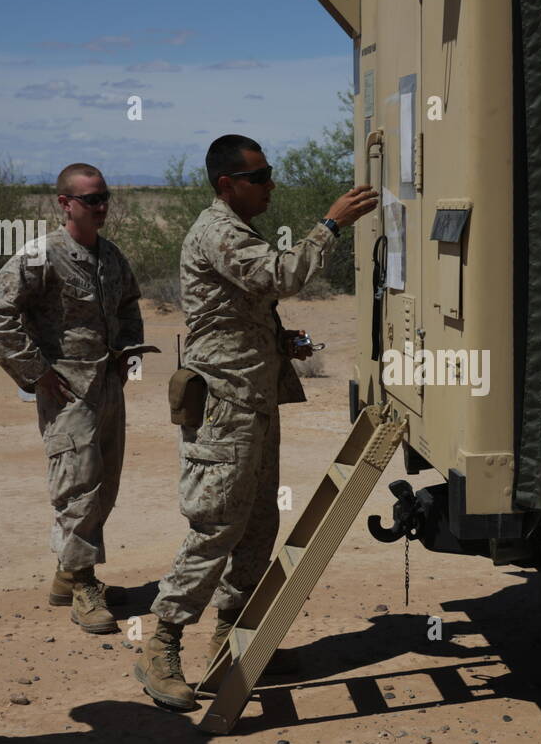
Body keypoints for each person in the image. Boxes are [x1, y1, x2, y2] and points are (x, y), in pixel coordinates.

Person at [135, 134, 377, 710]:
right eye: (260, 176)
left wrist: (278, 340)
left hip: (252, 400)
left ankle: (234, 639)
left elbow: (242, 307)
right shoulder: (218, 230)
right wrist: (331, 225)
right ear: (227, 184)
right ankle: (161, 643)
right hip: (225, 407)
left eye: (270, 173)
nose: (271, 185)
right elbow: (280, 276)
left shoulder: (238, 228)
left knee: (258, 523)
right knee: (217, 525)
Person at [0, 163, 145, 634]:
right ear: (65, 204)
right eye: (91, 199)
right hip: (67, 391)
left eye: (105, 197)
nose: (101, 206)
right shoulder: (42, 254)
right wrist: (35, 372)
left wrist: (129, 354)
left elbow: (129, 305)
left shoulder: (110, 256)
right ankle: (84, 585)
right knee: (78, 487)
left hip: (106, 387)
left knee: (104, 485)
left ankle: (67, 574)